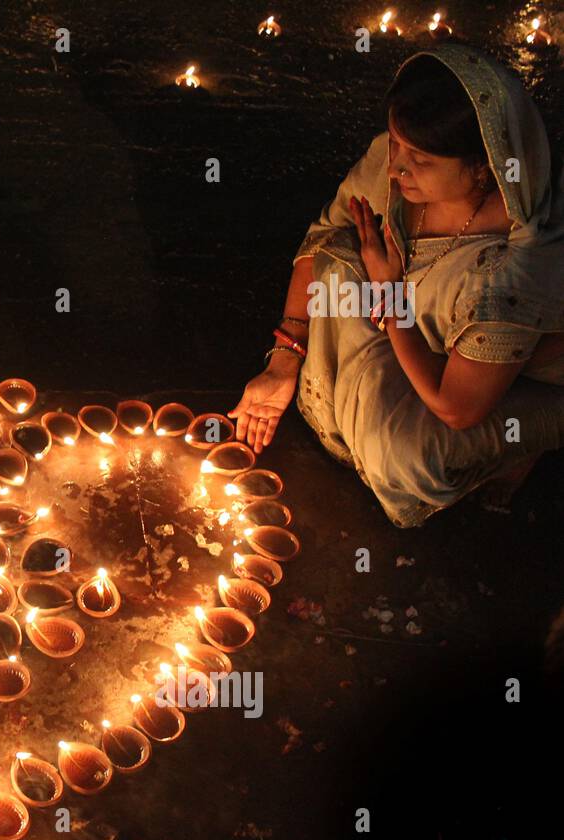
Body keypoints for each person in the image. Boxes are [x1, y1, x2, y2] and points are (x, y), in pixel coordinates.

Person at [230, 44, 564, 526]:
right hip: (414, 327)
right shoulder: (396, 166)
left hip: (498, 384)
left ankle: (528, 441)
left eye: (420, 160)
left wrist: (389, 299)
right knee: (336, 269)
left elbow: (456, 408)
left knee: (404, 453)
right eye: (394, 143)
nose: (394, 168)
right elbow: (325, 237)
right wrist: (284, 358)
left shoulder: (514, 267)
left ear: (484, 166)